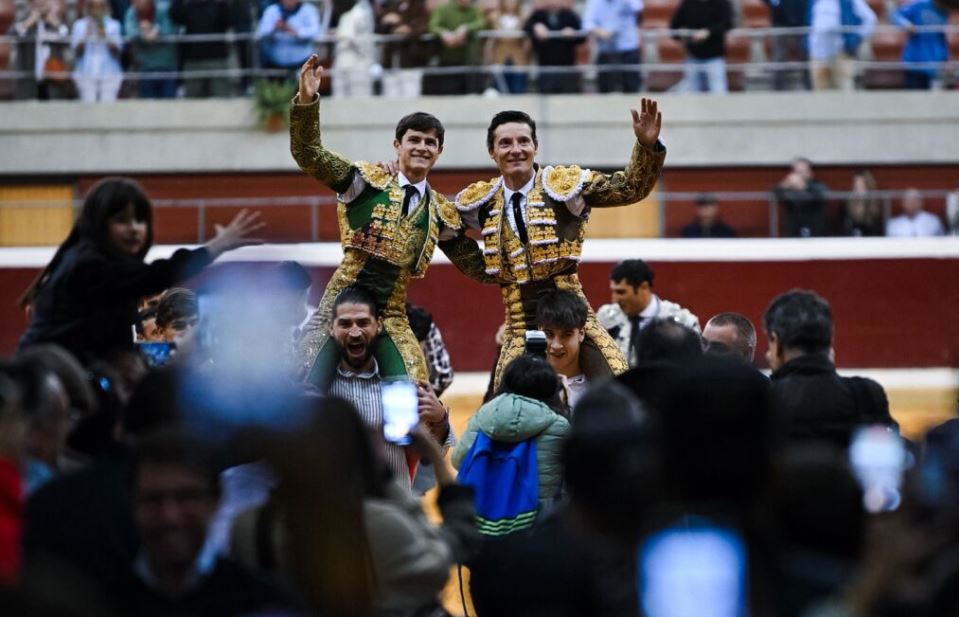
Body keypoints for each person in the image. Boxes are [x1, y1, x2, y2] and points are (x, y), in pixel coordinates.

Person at [291, 55, 488, 387]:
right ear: (398, 145)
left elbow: (475, 267)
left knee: (413, 395)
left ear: (439, 152)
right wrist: (308, 100)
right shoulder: (365, 181)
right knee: (303, 387)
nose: (422, 147)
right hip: (337, 310)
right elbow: (308, 153)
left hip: (391, 315)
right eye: (414, 140)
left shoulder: (440, 211)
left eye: (430, 143)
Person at [454, 102, 666, 389]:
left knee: (618, 387)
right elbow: (440, 226)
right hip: (520, 322)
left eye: (523, 141)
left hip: (573, 315)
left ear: (535, 147)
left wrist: (646, 146)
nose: (515, 149)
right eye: (505, 143)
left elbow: (629, 187)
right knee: (501, 403)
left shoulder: (563, 186)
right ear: (493, 152)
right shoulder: (480, 202)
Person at [230, 397, 479, 616]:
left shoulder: (249, 528)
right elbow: (458, 541)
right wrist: (431, 457)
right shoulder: (381, 525)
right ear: (360, 453)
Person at [18, 178, 263, 365]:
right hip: (51, 369)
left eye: (140, 220)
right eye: (122, 220)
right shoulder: (88, 265)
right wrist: (214, 248)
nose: (134, 229)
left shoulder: (99, 267)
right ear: (98, 225)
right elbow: (155, 275)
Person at [112, 431, 293, 616]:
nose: (169, 516)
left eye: (187, 497)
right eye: (153, 499)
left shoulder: (265, 605)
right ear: (132, 503)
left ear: (216, 500)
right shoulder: (96, 600)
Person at [324, 286, 453, 483]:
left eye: (363, 322)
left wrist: (440, 421)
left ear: (379, 325)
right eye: (345, 324)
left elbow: (427, 458)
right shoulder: (320, 389)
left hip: (394, 507)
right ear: (330, 328)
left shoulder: (399, 388)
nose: (355, 332)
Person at [763, 289, 897, 446]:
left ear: (776, 341)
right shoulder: (867, 395)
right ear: (829, 340)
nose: (767, 354)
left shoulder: (761, 400)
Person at [452, 354, 569, 515]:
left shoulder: (485, 414)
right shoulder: (558, 425)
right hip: (536, 523)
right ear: (550, 389)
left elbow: (458, 460)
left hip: (481, 518)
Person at [596, 259, 700, 369]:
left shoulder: (681, 322)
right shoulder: (605, 318)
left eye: (621, 292)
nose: (615, 300)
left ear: (643, 287)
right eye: (613, 291)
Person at [536, 289, 589, 408]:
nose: (556, 345)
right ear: (539, 331)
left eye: (566, 335)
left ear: (581, 333)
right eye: (549, 334)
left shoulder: (595, 388)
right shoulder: (527, 385)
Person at [807, 0, 876, 91]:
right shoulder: (814, 1)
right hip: (817, 54)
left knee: (844, 92)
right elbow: (809, 23)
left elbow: (870, 19)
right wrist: (807, 44)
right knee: (820, 94)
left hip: (841, 54)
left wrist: (856, 38)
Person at [11, 0, 72, 100]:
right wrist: (29, 22)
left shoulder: (58, 22)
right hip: (30, 80)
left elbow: (69, 40)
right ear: (31, 4)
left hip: (52, 80)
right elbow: (11, 36)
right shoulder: (24, 20)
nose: (42, 4)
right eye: (38, 2)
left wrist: (56, 24)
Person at [170, 0, 233, 98]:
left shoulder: (219, 6)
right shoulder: (187, 8)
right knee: (193, 102)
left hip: (217, 61)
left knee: (221, 100)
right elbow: (174, 16)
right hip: (193, 61)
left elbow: (229, 20)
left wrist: (223, 3)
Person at [669, 0, 733, 94]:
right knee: (692, 92)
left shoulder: (722, 3)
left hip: (714, 56)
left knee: (718, 91)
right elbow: (674, 27)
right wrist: (686, 36)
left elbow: (727, 24)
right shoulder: (688, 3)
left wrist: (709, 32)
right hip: (693, 56)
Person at [425, 0, 487, 95]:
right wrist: (443, 33)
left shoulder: (474, 8)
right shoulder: (443, 8)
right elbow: (433, 25)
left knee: (471, 93)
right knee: (449, 92)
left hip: (469, 60)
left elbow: (481, 23)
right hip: (446, 58)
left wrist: (466, 28)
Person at [523, 0, 584, 94]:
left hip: (567, 69)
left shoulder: (569, 15)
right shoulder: (539, 15)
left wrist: (573, 33)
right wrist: (535, 26)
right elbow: (526, 28)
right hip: (545, 68)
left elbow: (582, 37)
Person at [582, 0, 642, 93]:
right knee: (605, 90)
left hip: (628, 50)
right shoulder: (594, 2)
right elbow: (587, 23)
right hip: (605, 51)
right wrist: (598, 31)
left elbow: (638, 7)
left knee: (631, 89)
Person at [70, 0, 124, 102]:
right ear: (88, 8)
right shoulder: (79, 25)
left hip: (109, 73)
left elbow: (117, 52)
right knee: (88, 109)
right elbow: (76, 52)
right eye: (93, 6)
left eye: (100, 7)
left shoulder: (114, 25)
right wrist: (86, 35)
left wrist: (106, 36)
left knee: (108, 108)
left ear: (105, 8)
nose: (96, 10)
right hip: (85, 72)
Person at [377, 0, 432, 98]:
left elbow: (424, 27)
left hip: (411, 61)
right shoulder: (394, 6)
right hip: (391, 61)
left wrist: (406, 30)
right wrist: (385, 21)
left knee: (411, 94)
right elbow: (382, 30)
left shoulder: (419, 6)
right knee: (389, 95)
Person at [124, 0, 179, 99]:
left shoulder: (163, 9)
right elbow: (130, 34)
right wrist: (143, 34)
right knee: (148, 107)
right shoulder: (131, 12)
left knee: (169, 105)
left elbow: (170, 30)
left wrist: (154, 30)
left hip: (166, 65)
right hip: (145, 66)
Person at [891, 0, 950, 90]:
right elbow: (896, 15)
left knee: (933, 100)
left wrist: (945, 57)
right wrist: (906, 25)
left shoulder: (945, 11)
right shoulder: (919, 5)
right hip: (915, 62)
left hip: (935, 64)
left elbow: (941, 37)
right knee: (914, 98)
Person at [256, 0, 322, 76]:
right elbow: (261, 33)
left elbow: (316, 32)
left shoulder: (308, 10)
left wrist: (295, 32)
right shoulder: (271, 10)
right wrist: (274, 28)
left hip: (302, 62)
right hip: (275, 62)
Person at [773, 157, 830, 237]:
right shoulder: (789, 188)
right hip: (793, 230)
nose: (800, 175)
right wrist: (785, 184)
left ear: (809, 172)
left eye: (803, 171)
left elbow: (823, 195)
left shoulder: (817, 185)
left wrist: (804, 187)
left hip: (815, 230)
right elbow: (774, 195)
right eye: (797, 172)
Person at [331, 0, 377, 97]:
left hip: (358, 61)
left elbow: (349, 37)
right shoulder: (349, 14)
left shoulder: (359, 12)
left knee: (360, 94)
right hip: (344, 60)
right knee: (339, 93)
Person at [485, 0, 530, 94]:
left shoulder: (523, 17)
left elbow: (526, 41)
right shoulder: (495, 17)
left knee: (518, 88)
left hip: (518, 58)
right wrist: (488, 59)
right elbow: (491, 41)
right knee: (500, 89)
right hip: (500, 57)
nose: (510, 3)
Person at [763, 0, 809, 90]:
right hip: (780, 19)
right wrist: (775, 3)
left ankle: (809, 86)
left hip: (800, 16)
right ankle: (777, 89)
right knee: (779, 55)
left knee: (804, 54)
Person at [842, 169, 883, 236]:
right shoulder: (845, 205)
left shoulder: (876, 207)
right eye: (856, 185)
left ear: (868, 186)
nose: (858, 189)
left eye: (861, 185)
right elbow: (841, 229)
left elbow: (878, 231)